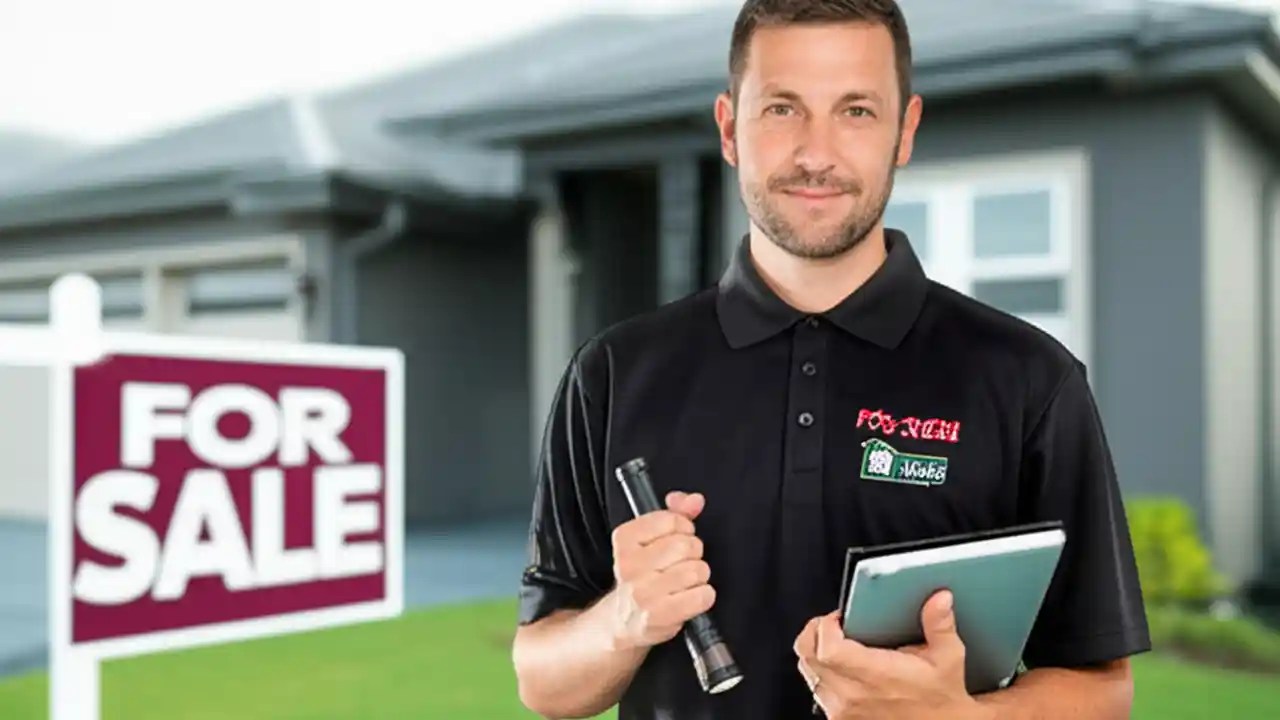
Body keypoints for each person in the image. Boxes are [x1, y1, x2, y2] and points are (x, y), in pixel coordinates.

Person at [511, 1, 1151, 718]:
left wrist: (964, 718)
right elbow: (542, 679)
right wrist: (623, 620)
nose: (816, 154)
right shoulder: (612, 374)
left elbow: (1103, 688)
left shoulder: (1030, 379)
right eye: (783, 109)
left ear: (905, 130)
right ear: (729, 127)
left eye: (856, 111)